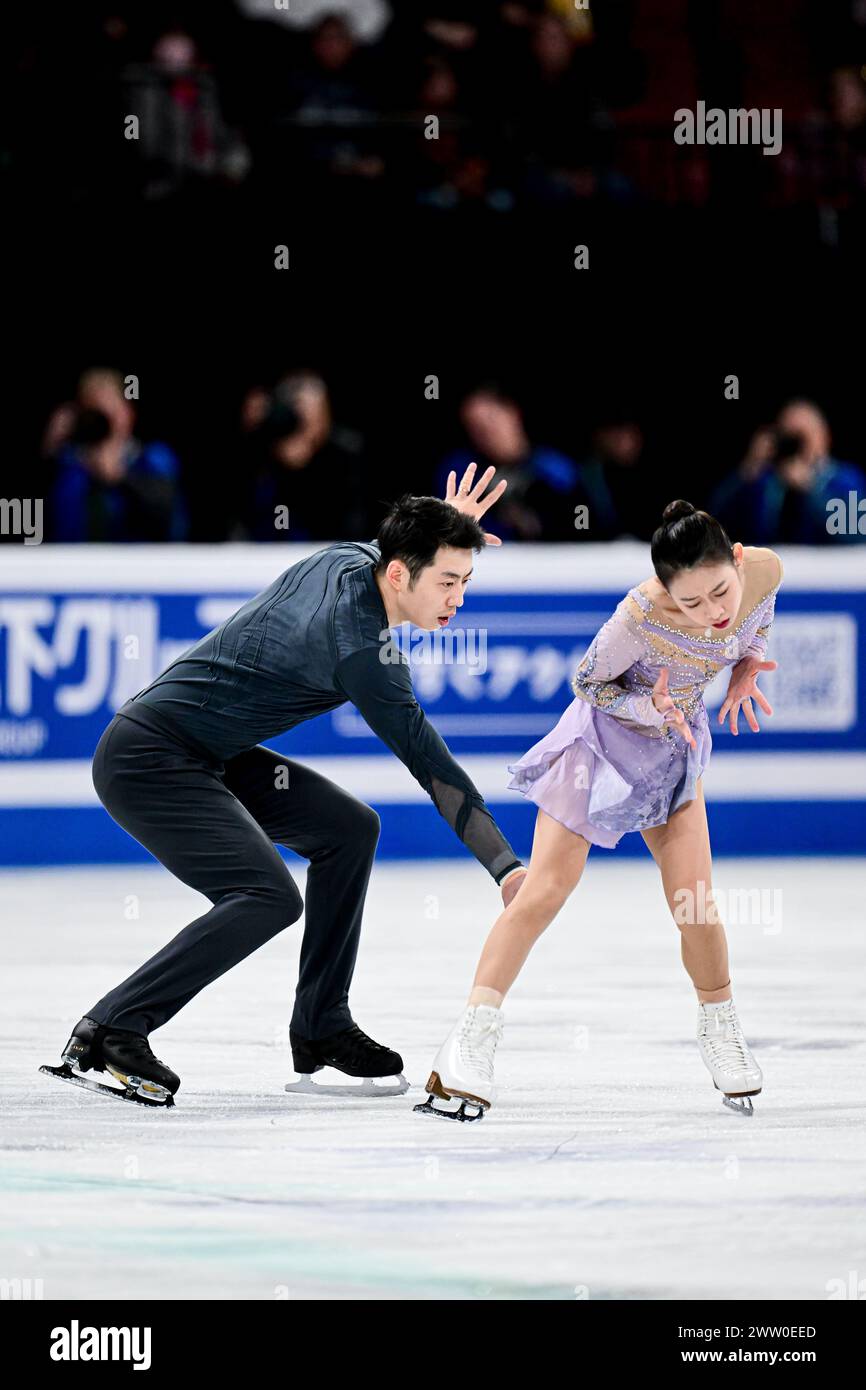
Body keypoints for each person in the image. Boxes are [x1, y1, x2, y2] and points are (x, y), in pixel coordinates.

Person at [42, 465, 526, 1108]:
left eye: (466, 581)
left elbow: (399, 539)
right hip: (147, 758)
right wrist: (505, 867)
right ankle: (114, 1026)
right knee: (266, 896)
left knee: (349, 828)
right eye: (447, 582)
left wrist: (443, 521)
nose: (458, 600)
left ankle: (321, 1024)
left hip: (206, 752)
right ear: (401, 575)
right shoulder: (364, 655)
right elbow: (433, 767)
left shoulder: (352, 557)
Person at [415, 500, 782, 1122]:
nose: (714, 614)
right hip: (601, 743)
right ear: (666, 590)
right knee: (545, 890)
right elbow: (589, 684)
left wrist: (746, 666)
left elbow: (754, 619)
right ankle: (469, 1040)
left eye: (721, 592)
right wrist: (650, 711)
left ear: (738, 561)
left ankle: (719, 1026)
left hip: (674, 749)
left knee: (695, 904)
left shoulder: (763, 571)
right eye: (691, 604)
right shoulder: (636, 617)